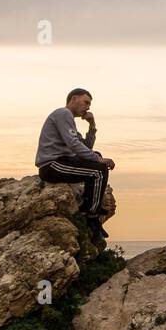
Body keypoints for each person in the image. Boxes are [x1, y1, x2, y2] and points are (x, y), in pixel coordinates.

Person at [35, 88, 115, 240]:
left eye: (89, 104)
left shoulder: (68, 121)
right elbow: (73, 144)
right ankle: (91, 215)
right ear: (73, 99)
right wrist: (97, 160)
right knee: (98, 170)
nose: (88, 107)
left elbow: (85, 147)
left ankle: (91, 207)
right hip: (52, 165)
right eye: (86, 102)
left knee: (96, 157)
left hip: (64, 160)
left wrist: (92, 125)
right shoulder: (63, 114)